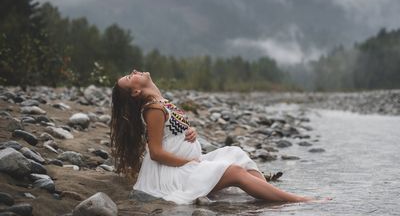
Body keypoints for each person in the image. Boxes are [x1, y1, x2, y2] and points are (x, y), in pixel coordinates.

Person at [110, 69, 332, 205]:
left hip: (185, 166)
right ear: (136, 91)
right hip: (172, 175)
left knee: (236, 154)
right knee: (234, 172)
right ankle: (297, 200)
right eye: (131, 77)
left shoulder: (160, 103)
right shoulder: (152, 109)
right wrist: (189, 161)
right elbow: (156, 152)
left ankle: (268, 195)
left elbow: (172, 130)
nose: (135, 70)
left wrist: (190, 131)